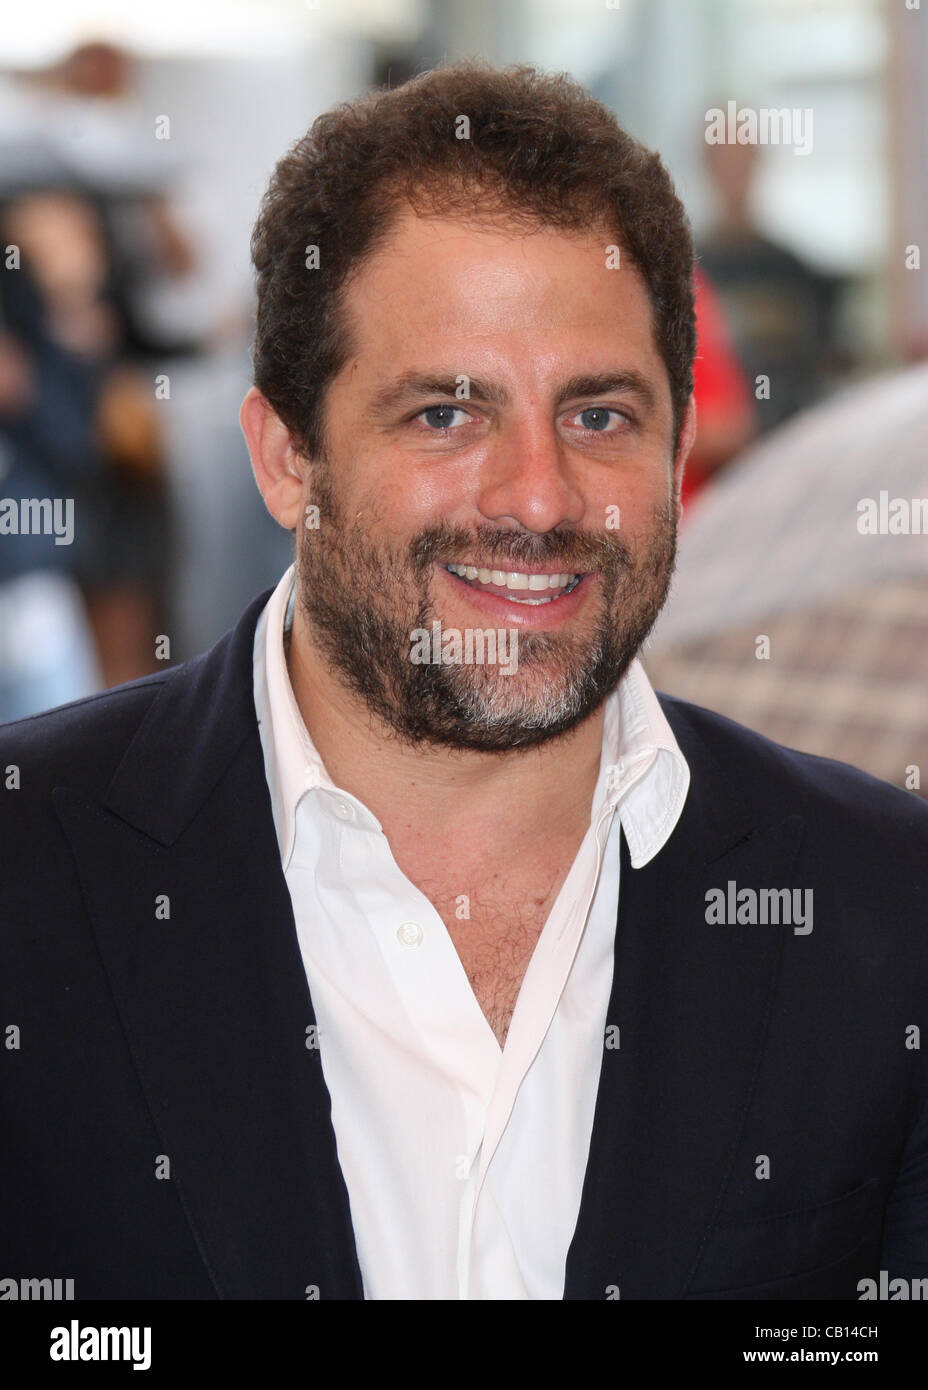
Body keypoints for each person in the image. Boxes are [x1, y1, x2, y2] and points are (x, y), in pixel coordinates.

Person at [1, 62, 926, 1302]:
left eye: (598, 415)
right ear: (287, 459)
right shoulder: (31, 872)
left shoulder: (880, 902)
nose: (537, 498)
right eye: (445, 413)